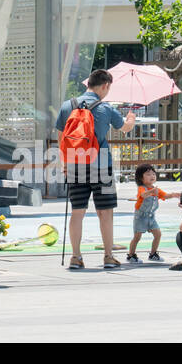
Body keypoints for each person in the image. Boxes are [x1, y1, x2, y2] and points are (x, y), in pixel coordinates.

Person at [55, 69, 135, 269]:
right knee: (105, 212)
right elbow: (124, 128)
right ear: (105, 85)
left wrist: (65, 164)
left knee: (77, 212)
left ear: (87, 84)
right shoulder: (105, 108)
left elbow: (61, 138)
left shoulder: (68, 105)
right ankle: (108, 256)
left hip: (75, 165)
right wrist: (131, 120)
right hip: (102, 167)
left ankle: (76, 257)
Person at [126, 163, 176, 263]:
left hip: (151, 217)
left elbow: (165, 196)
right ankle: (131, 255)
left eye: (153, 174)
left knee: (158, 234)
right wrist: (151, 191)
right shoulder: (142, 188)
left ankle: (153, 254)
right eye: (148, 174)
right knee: (137, 237)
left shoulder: (156, 189)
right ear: (141, 178)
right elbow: (143, 195)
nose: (152, 176)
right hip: (140, 217)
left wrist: (175, 194)